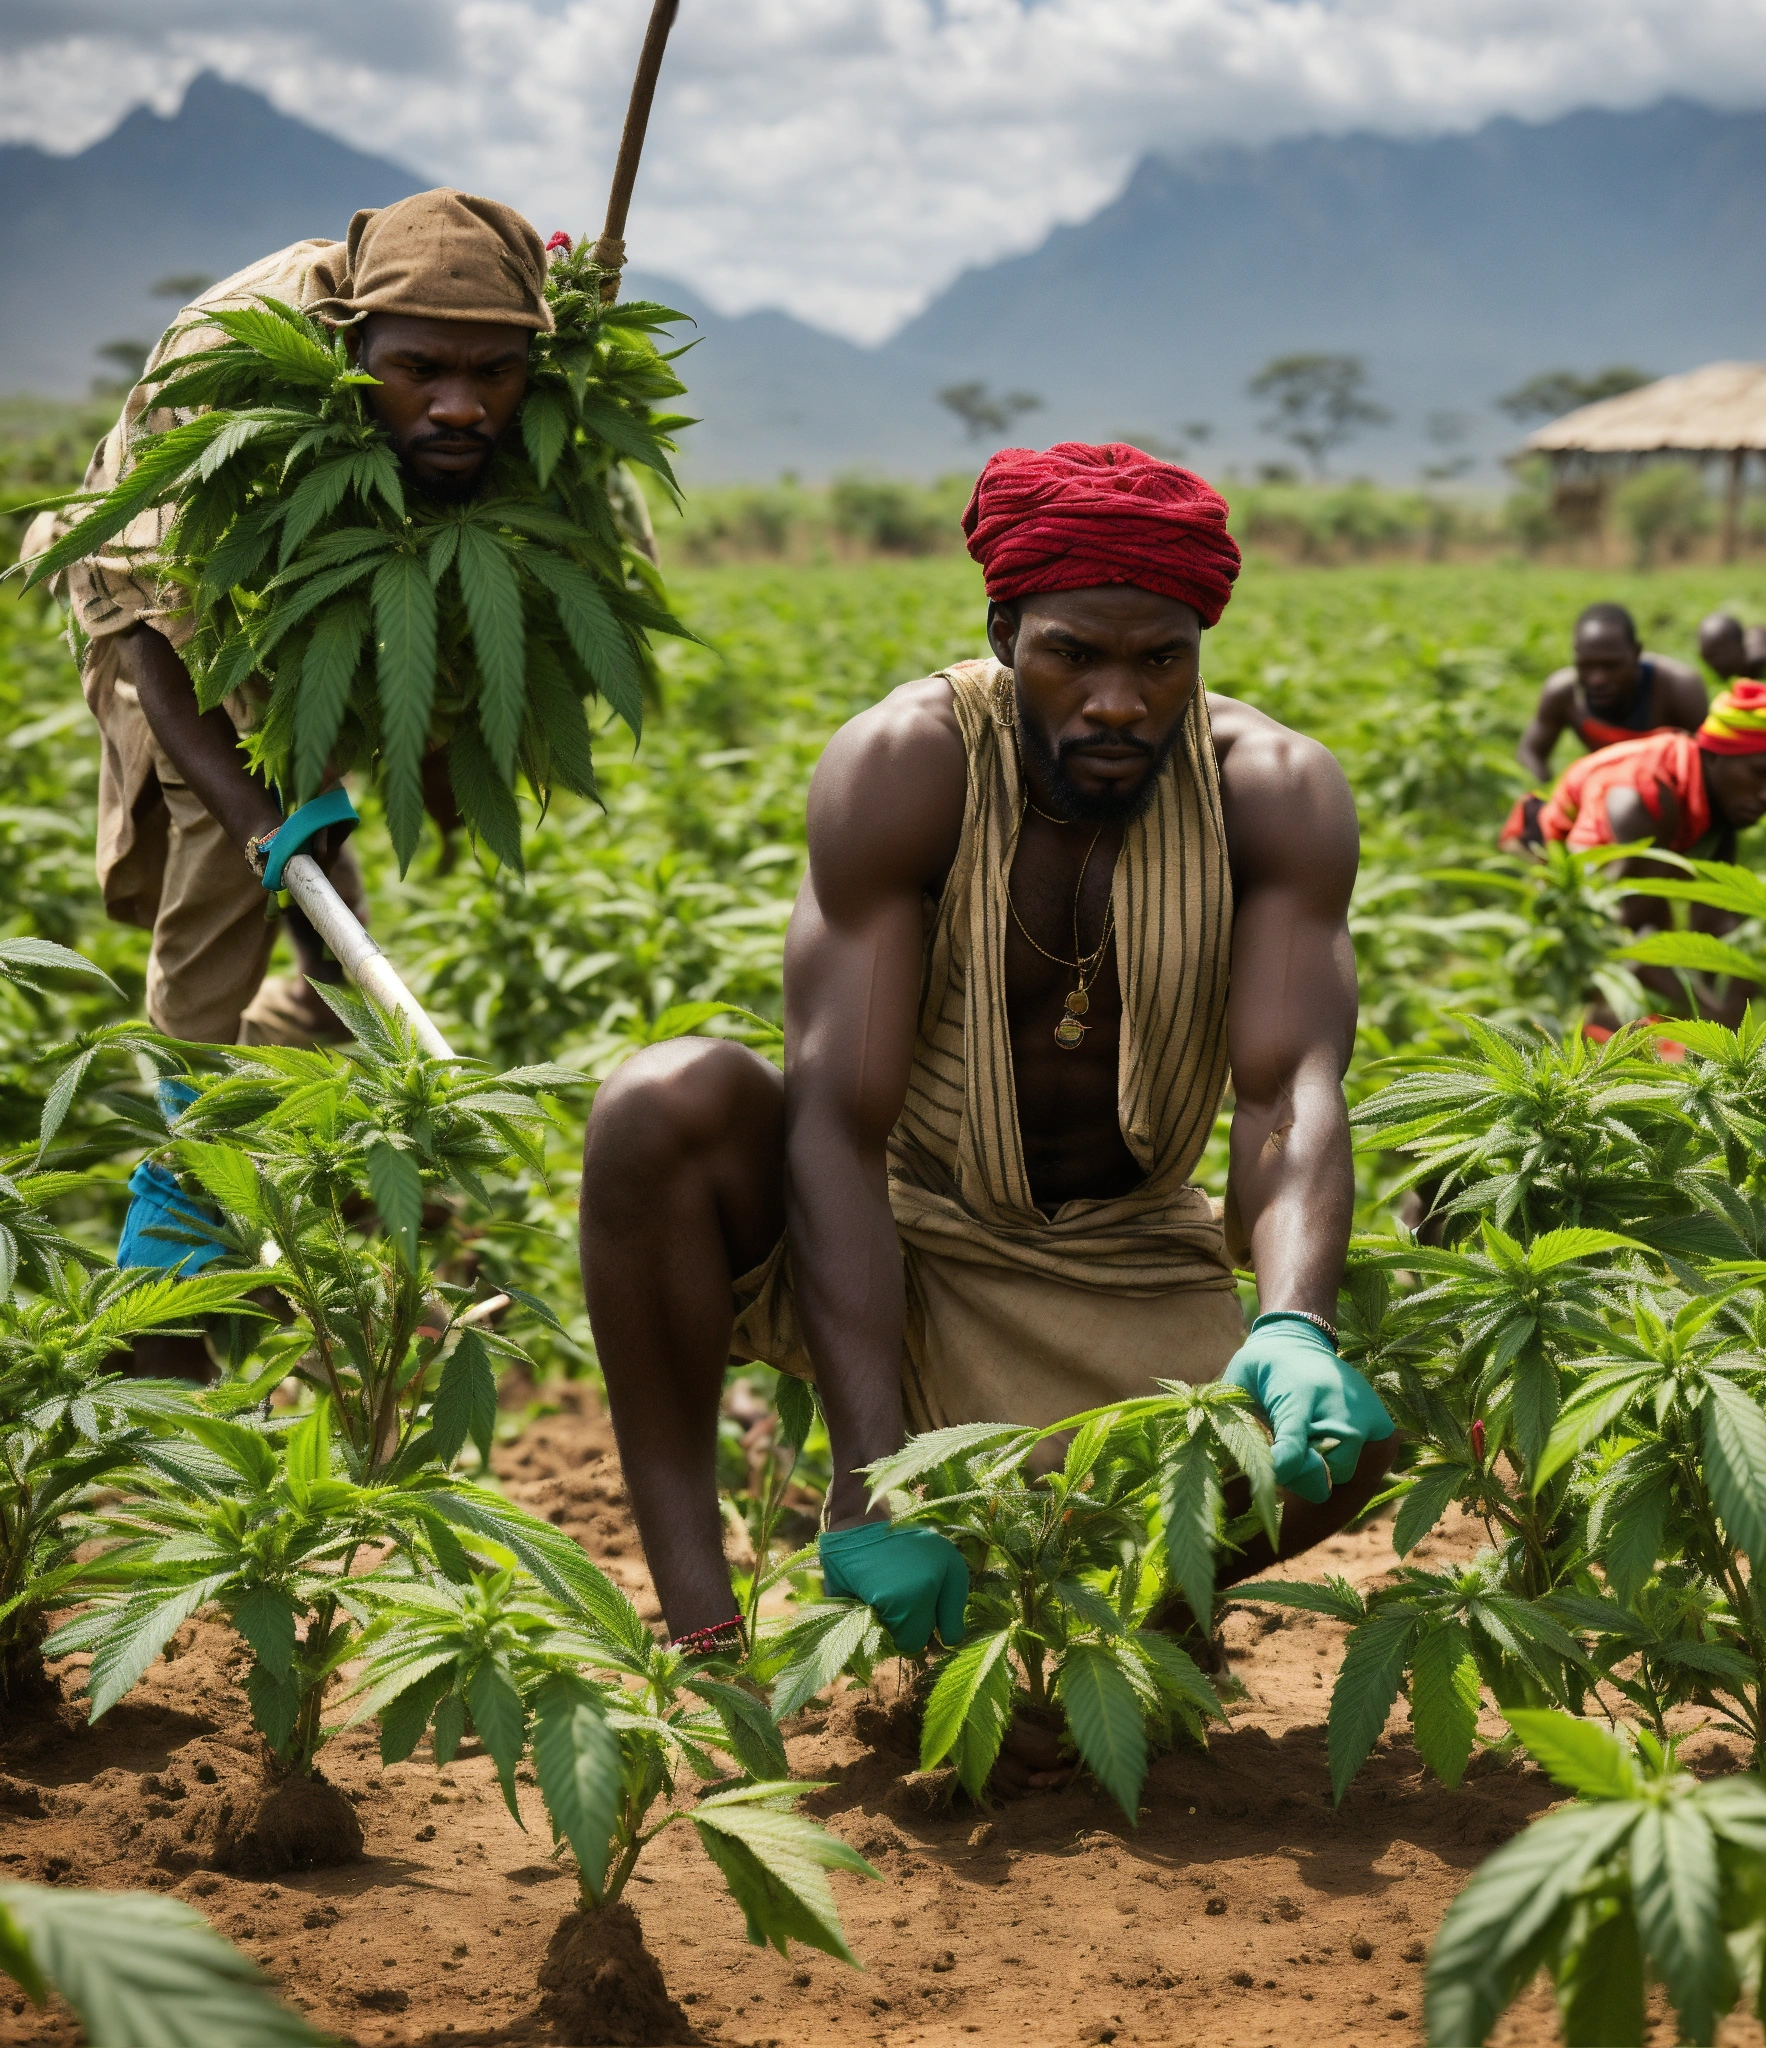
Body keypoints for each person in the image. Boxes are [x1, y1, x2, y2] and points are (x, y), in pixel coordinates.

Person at [581, 442, 1398, 1720]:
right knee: (662, 1105)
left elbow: (1287, 1092)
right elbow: (836, 1134)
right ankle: (701, 1638)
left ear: (1200, 649)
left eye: (1159, 660)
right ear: (1004, 630)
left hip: (1127, 1258)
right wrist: (866, 1474)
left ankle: (1120, 1631)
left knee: (1372, 1421)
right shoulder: (907, 763)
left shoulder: (1272, 796)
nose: (1118, 700)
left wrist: (1293, 1321)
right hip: (898, 1239)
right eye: (1075, 652)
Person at [22, 189, 554, 1371]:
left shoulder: (530, 348)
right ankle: (168, 1262)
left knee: (324, 949)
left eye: (495, 375)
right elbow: (156, 631)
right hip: (174, 601)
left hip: (338, 605)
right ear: (352, 341)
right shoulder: (232, 360)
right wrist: (269, 818)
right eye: (420, 369)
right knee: (233, 880)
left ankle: (310, 1213)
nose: (463, 404)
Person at [1529, 681, 1766, 1023]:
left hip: (1638, 882)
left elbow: (1714, 918)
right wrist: (1710, 1019)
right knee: (1601, 1007)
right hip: (1545, 859)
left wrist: (1756, 989)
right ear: (1713, 754)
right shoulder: (1638, 801)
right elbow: (1610, 935)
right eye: (1761, 773)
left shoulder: (1722, 799)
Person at [1513, 602, 1709, 785]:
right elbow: (1530, 752)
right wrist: (1548, 798)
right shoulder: (1564, 694)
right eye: (1586, 666)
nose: (1597, 679)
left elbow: (1710, 762)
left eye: (1611, 666)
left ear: (1636, 653)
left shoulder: (1677, 687)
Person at [1698, 610, 1766, 683]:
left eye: (1723, 653)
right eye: (1710, 655)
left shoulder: (1756, 659)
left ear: (1742, 645)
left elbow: (1761, 633)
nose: (1719, 661)